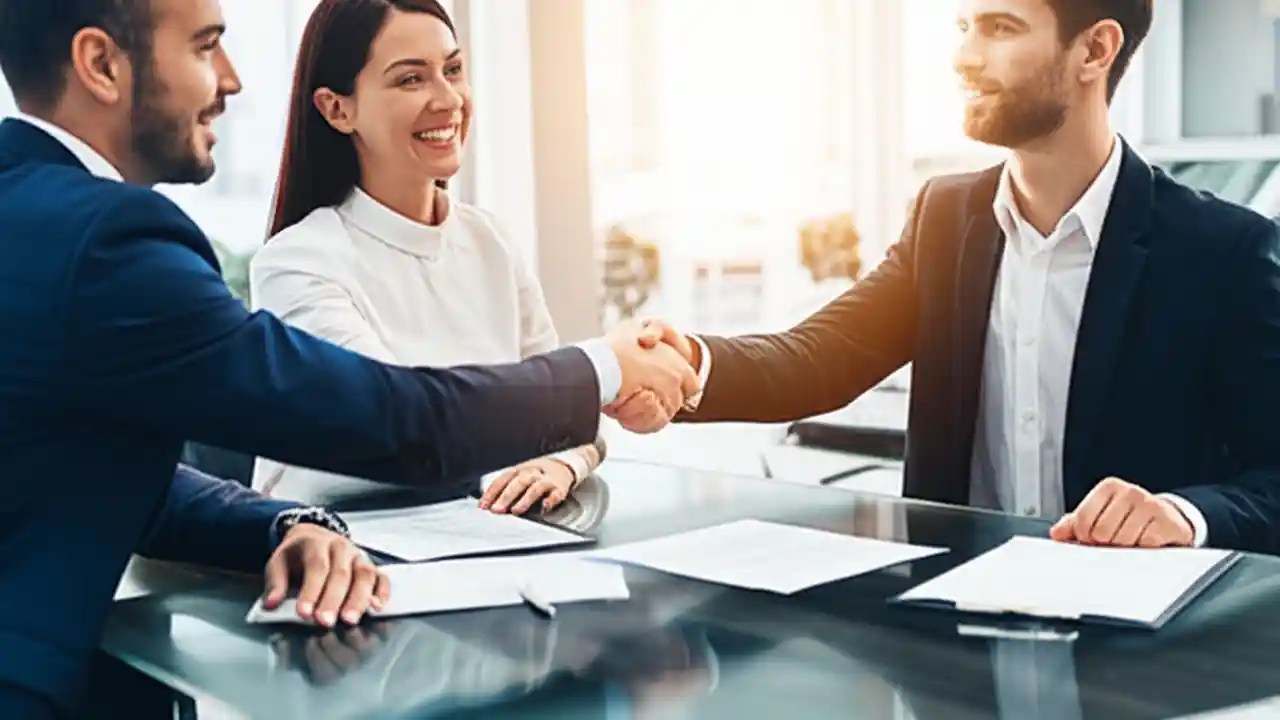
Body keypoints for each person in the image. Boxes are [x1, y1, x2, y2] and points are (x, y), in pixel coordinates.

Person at [0, 0, 698, 715]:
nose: (234, 80)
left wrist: (279, 524)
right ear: (101, 65)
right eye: (207, 48)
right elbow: (396, 420)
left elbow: (97, 457)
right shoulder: (109, 243)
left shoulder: (31, 213)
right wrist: (604, 368)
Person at [620, 0, 1280, 554]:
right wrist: (687, 366)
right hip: (956, 628)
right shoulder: (946, 217)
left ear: (1095, 50)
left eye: (1000, 27)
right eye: (962, 26)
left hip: (1143, 663)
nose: (964, 57)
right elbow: (819, 358)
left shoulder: (1225, 251)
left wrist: (1183, 515)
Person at [251, 0, 605, 515]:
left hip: (486, 538)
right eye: (410, 80)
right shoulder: (296, 263)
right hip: (343, 556)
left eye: (453, 70)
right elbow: (405, 425)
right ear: (336, 109)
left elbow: (575, 415)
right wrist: (588, 382)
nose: (448, 99)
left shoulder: (491, 242)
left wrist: (560, 463)